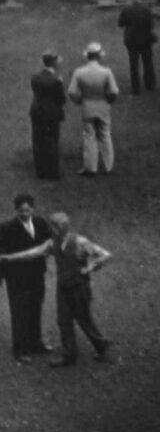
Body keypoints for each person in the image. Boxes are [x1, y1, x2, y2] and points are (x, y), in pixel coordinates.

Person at [0, 211, 111, 367]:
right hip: (63, 287)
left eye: (55, 227)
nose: (52, 230)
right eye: (53, 227)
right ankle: (69, 356)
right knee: (63, 321)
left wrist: (89, 268)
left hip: (79, 288)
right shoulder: (53, 243)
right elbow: (34, 252)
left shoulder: (79, 241)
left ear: (63, 227)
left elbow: (105, 255)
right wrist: (8, 258)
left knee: (84, 319)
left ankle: (101, 345)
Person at [0, 194, 54, 364]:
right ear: (15, 210)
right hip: (17, 278)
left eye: (27, 209)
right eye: (21, 210)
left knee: (35, 308)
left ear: (33, 208)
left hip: (37, 275)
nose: (24, 213)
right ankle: (20, 349)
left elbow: (49, 241)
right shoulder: (6, 228)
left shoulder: (39, 222)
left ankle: (35, 343)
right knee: (19, 313)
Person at [66, 42, 119, 177]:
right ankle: (108, 166)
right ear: (99, 56)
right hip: (103, 106)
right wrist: (109, 100)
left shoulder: (79, 72)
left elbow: (71, 91)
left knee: (89, 136)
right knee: (105, 134)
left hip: (87, 106)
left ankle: (91, 168)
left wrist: (79, 100)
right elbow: (114, 91)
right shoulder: (106, 72)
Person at [29, 50, 67, 179]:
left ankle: (40, 170)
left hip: (37, 111)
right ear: (53, 63)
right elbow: (61, 99)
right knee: (52, 141)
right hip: (51, 113)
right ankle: (52, 172)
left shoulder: (35, 77)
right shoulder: (56, 80)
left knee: (38, 140)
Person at [117, 0, 157, 95]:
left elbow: (120, 24)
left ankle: (135, 89)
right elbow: (151, 25)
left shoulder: (126, 9)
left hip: (131, 40)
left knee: (133, 64)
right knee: (147, 62)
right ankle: (149, 84)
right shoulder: (146, 9)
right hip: (145, 40)